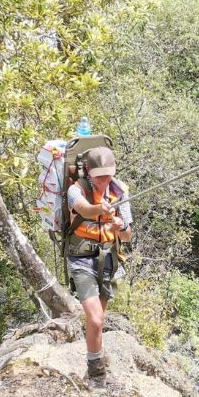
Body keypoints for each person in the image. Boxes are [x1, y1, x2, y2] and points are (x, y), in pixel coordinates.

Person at [65, 146, 132, 383]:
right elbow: (81, 208)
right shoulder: (76, 189)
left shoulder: (120, 192)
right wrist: (98, 209)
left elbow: (127, 236)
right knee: (94, 319)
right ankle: (97, 372)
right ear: (89, 172)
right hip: (81, 259)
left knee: (99, 320)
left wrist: (119, 227)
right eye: (100, 175)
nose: (105, 180)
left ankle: (95, 361)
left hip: (107, 260)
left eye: (109, 174)